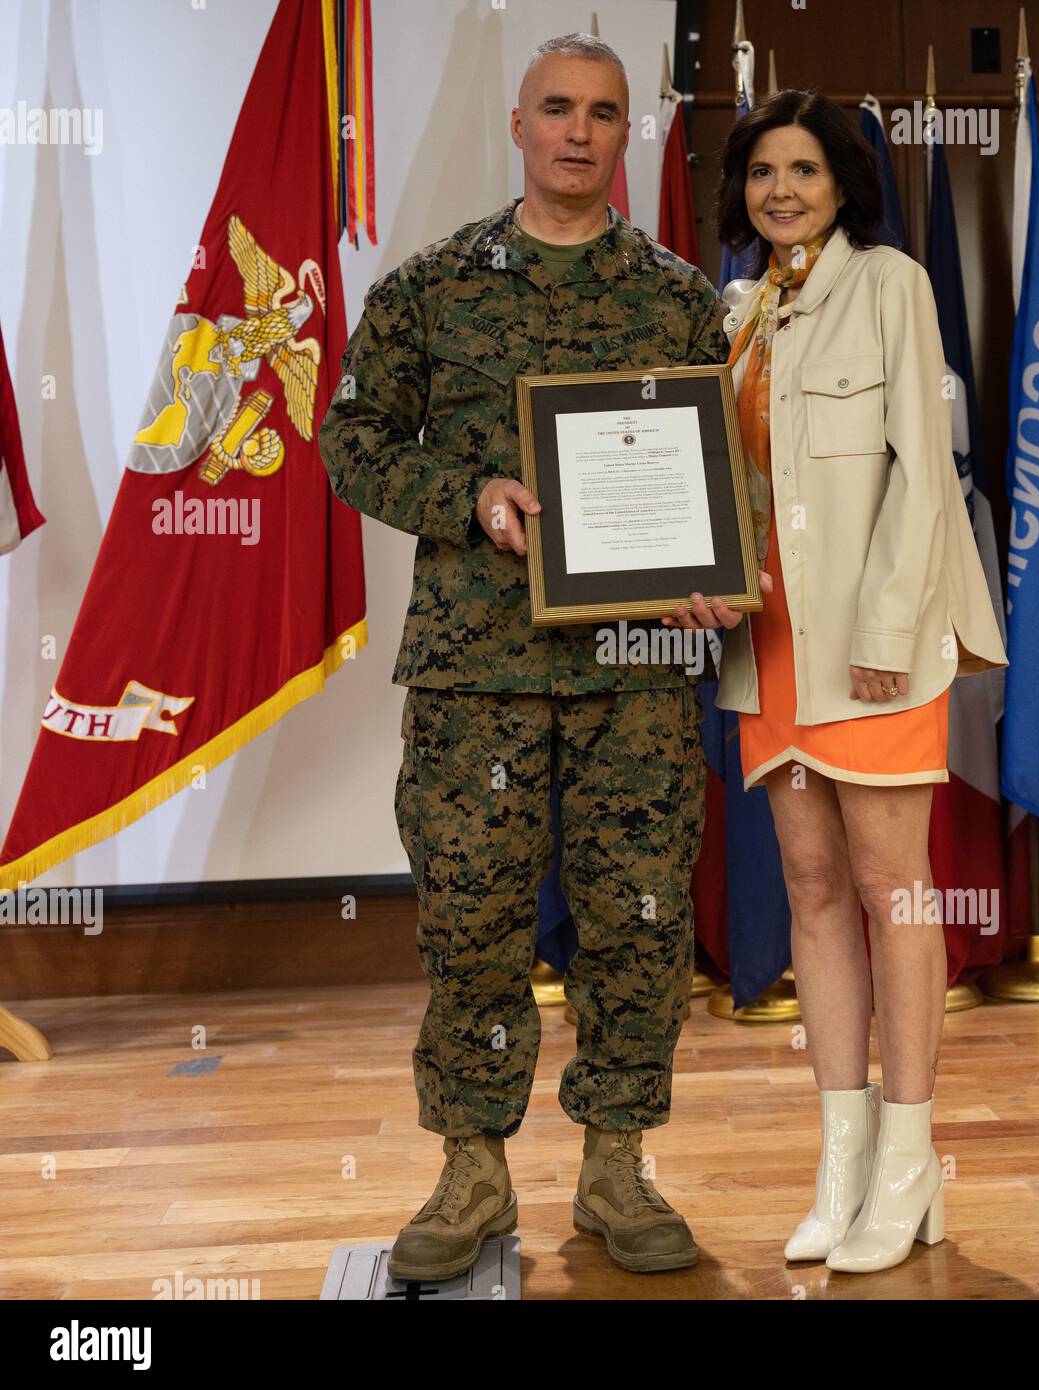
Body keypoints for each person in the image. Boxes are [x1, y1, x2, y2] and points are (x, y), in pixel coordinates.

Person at [319, 33, 729, 1281]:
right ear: (517, 123)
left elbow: (720, 474)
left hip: (636, 666)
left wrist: (719, 565)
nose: (579, 130)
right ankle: (473, 1171)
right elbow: (350, 441)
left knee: (637, 919)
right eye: (557, 107)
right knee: (473, 919)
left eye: (604, 112)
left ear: (623, 135)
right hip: (475, 667)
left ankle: (616, 1163)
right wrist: (470, 490)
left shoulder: (677, 298)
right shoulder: (434, 286)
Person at [663, 89, 1008, 1273]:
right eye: (762, 172)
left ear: (842, 182)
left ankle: (911, 1159)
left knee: (890, 885)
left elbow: (925, 467)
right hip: (770, 643)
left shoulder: (890, 285)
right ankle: (843, 1155)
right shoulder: (736, 309)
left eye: (803, 170)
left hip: (876, 637)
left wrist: (883, 618)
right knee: (811, 886)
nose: (780, 191)